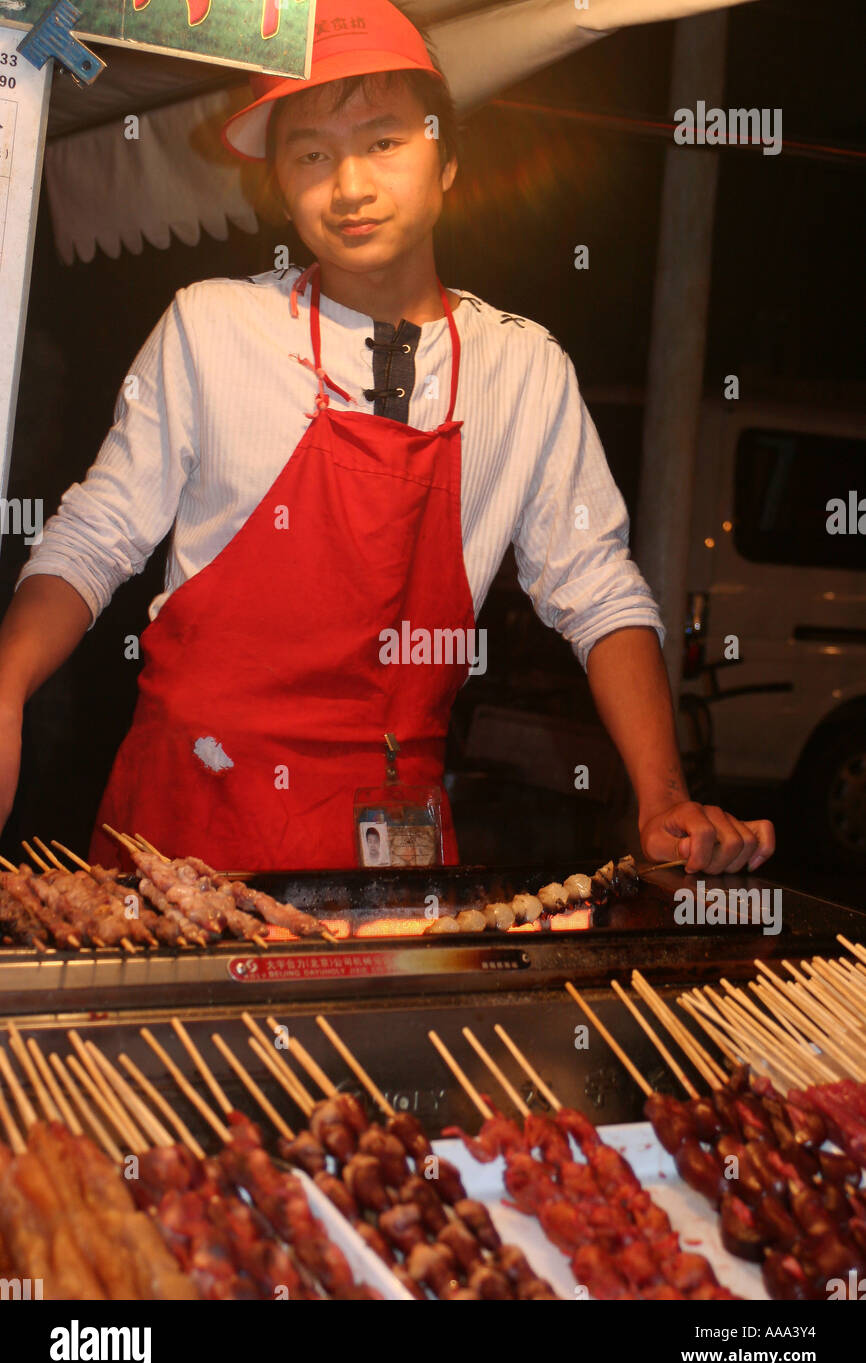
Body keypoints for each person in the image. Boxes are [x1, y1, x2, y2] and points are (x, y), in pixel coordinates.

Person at [0, 0, 774, 876]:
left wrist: (661, 793)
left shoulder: (521, 369)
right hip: (187, 827)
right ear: (281, 185)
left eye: (383, 142)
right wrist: (6, 687)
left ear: (447, 161)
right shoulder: (210, 328)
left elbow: (599, 590)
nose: (351, 185)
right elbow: (96, 535)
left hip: (389, 850)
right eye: (312, 155)